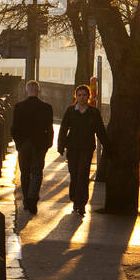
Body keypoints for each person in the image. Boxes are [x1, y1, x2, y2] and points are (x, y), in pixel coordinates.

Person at [57, 84, 110, 217]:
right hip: (72, 148)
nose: (82, 98)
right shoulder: (70, 111)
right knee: (74, 174)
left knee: (83, 175)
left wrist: (107, 145)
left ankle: (81, 204)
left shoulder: (94, 112)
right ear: (76, 96)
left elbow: (100, 130)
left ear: (88, 97)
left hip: (87, 148)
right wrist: (61, 145)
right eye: (79, 95)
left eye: (84, 95)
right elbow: (63, 128)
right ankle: (74, 198)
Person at [11, 80, 53, 213]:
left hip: (24, 144)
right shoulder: (47, 108)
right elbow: (49, 128)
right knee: (37, 173)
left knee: (25, 173)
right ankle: (32, 199)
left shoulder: (19, 107)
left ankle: (26, 199)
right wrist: (48, 144)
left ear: (26, 90)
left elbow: (14, 128)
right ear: (38, 91)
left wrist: (18, 143)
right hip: (39, 145)